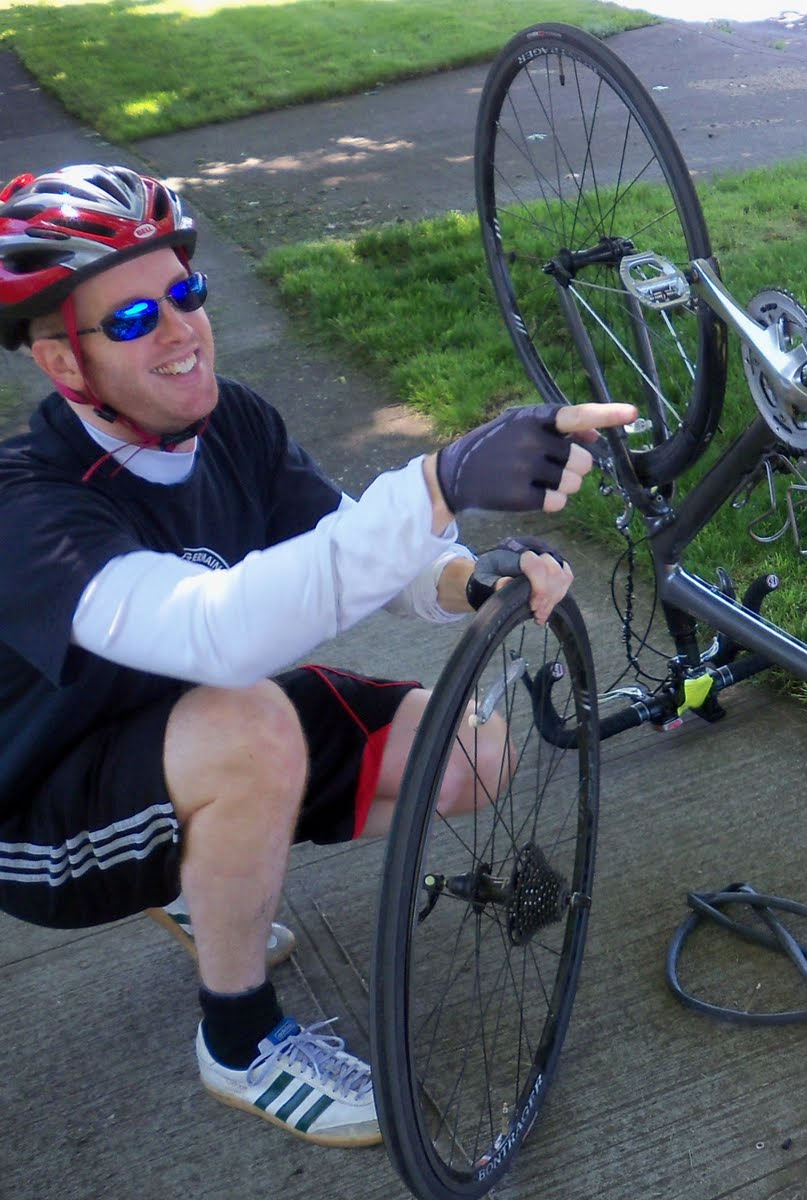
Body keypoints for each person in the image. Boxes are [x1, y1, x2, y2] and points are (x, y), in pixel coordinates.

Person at [0, 164, 636, 1148]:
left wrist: (474, 574)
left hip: (189, 732)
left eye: (187, 293)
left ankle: (197, 865)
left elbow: (370, 557)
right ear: (60, 362)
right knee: (249, 719)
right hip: (46, 817)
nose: (180, 329)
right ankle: (242, 1043)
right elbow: (221, 631)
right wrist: (438, 475)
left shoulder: (234, 422)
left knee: (475, 756)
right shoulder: (30, 504)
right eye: (132, 321)